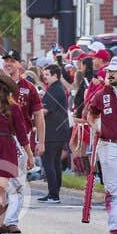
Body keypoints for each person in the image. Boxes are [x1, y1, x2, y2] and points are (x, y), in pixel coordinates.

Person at [0, 71, 33, 234]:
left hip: (5, 147)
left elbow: (21, 133)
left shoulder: (13, 107)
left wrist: (29, 155)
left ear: (1, 86)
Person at [37, 62, 71, 204]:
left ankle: (53, 194)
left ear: (55, 75)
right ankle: (54, 192)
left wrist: (33, 116)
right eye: (44, 75)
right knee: (55, 163)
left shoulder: (54, 89)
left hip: (52, 132)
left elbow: (45, 111)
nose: (45, 78)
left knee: (48, 163)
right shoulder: (57, 88)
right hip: (59, 131)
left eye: (47, 75)